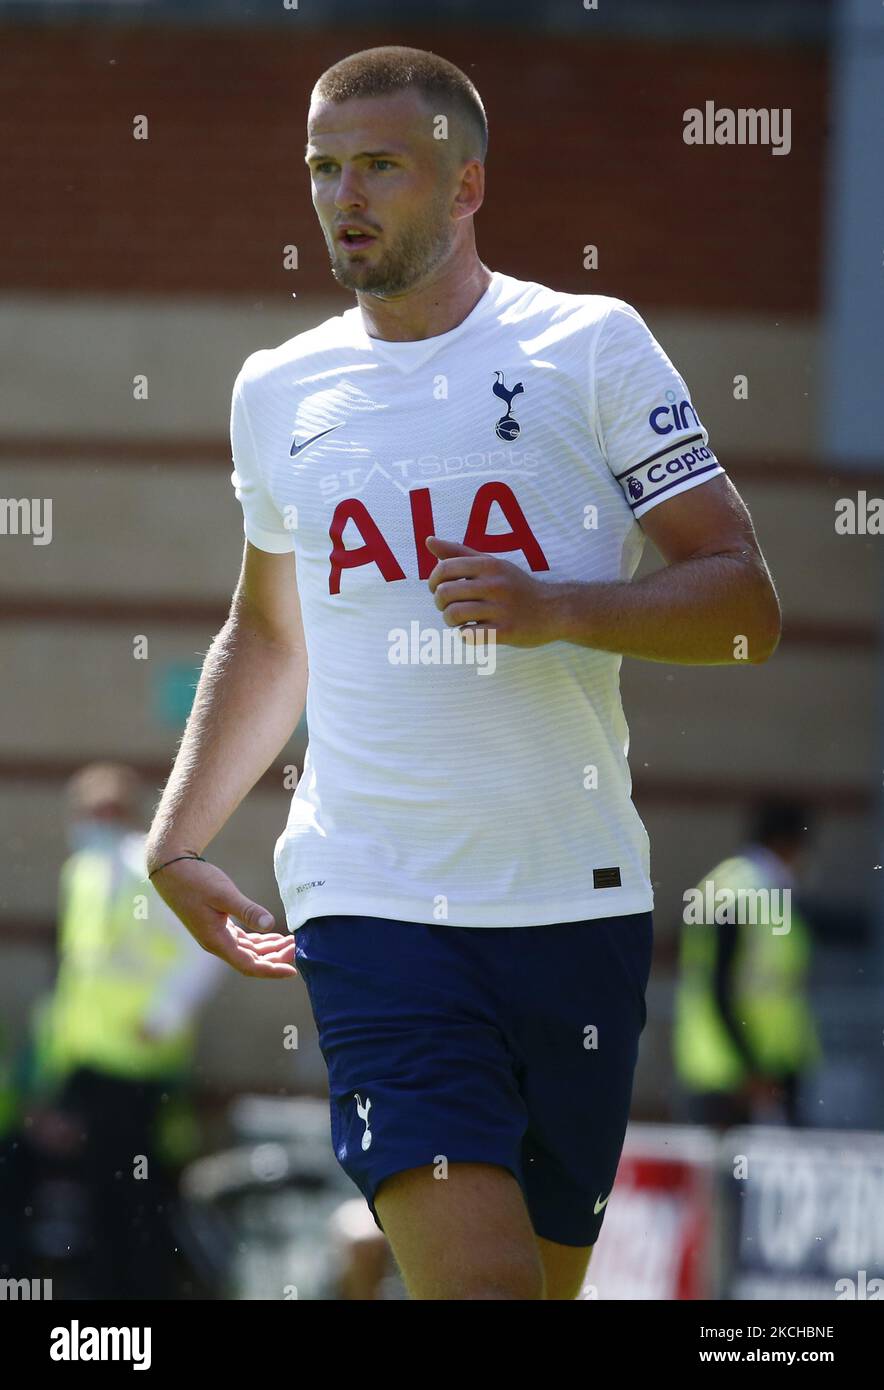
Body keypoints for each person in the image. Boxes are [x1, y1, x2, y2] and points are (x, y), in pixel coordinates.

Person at [145, 46, 782, 1300]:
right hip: (371, 901)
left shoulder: (589, 346)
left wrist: (559, 608)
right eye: (324, 168)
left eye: (379, 165)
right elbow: (271, 634)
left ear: (465, 181)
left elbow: (744, 609)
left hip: (574, 905)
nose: (345, 196)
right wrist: (177, 842)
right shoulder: (277, 389)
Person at [27, 762, 224, 1298]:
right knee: (98, 1195)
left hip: (140, 1066)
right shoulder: (83, 874)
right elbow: (79, 975)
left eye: (100, 812)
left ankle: (138, 1297)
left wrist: (161, 1016)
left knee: (138, 1195)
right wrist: (55, 1072)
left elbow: (204, 948)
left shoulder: (148, 870)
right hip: (90, 1064)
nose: (92, 824)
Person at [673, 799, 821, 1130]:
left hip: (755, 1069)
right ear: (787, 842)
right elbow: (719, 986)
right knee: (729, 1177)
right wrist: (750, 1068)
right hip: (736, 1076)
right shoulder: (743, 891)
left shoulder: (745, 886)